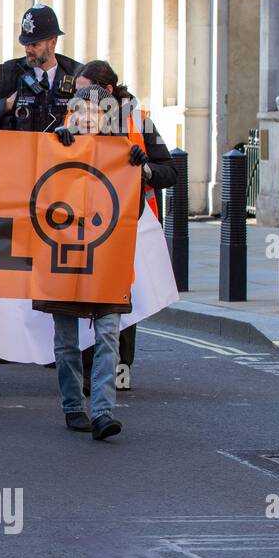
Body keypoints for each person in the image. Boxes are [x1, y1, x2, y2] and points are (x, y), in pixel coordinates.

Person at [35, 84, 174, 441]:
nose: (87, 117)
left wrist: (142, 170)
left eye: (95, 111)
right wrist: (54, 143)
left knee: (108, 336)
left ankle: (101, 412)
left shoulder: (124, 150)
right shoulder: (55, 143)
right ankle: (72, 406)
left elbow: (158, 183)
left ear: (107, 116)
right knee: (67, 341)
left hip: (109, 257)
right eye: (80, 110)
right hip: (65, 257)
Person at [71, 59, 177, 393]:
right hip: (84, 226)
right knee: (84, 295)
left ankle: (119, 365)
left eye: (87, 92)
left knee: (123, 297)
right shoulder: (74, 118)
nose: (79, 100)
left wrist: (144, 170)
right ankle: (87, 367)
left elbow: (170, 172)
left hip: (131, 226)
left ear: (108, 91)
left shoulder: (139, 122)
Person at [0, 4, 81, 133]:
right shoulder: (13, 74)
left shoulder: (76, 75)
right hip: (20, 146)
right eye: (25, 44)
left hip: (61, 147)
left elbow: (99, 119)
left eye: (35, 44)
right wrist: (5, 105)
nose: (28, 50)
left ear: (53, 42)